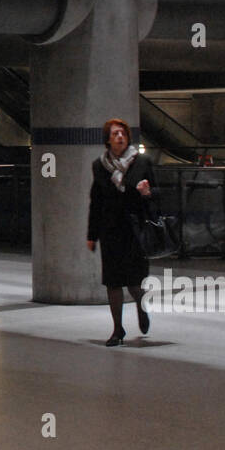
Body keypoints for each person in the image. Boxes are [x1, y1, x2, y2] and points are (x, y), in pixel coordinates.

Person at [86, 118, 156, 345]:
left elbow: (157, 195)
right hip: (110, 230)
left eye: (123, 133)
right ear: (108, 139)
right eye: (115, 133)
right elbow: (96, 201)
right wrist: (92, 234)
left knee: (134, 282)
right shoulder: (99, 166)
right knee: (113, 282)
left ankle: (141, 306)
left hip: (134, 229)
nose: (120, 137)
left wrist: (147, 193)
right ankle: (117, 330)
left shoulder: (142, 161)